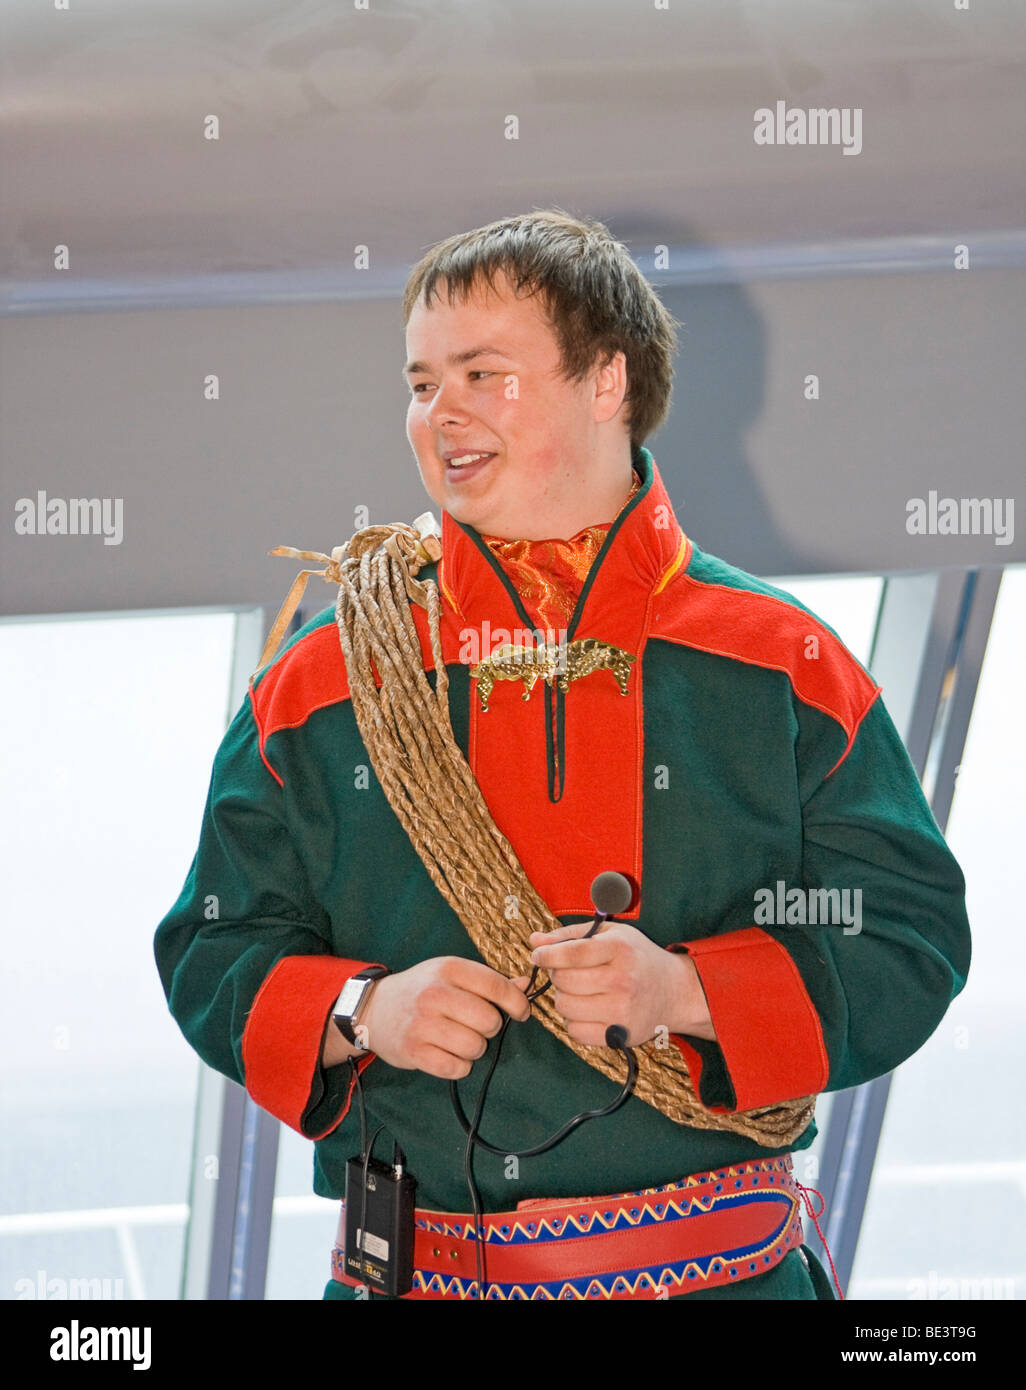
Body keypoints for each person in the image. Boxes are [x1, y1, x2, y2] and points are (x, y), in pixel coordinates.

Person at [154, 209, 971, 1301]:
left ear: (607, 384)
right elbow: (211, 949)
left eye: (483, 374)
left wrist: (686, 991)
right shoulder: (323, 677)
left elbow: (907, 935)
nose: (439, 413)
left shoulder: (785, 662)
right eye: (421, 381)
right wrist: (364, 1012)